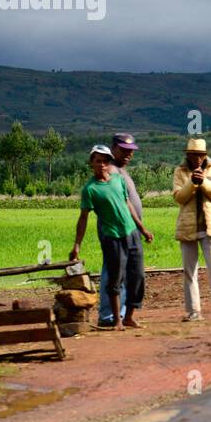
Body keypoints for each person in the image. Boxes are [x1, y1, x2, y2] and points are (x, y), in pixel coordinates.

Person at [69, 145, 153, 330]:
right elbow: (83, 218)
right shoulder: (90, 189)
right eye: (98, 161)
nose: (102, 165)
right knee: (116, 278)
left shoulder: (118, 180)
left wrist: (143, 228)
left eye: (105, 161)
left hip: (131, 233)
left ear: (109, 163)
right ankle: (117, 320)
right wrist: (77, 245)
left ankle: (129, 316)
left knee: (137, 275)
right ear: (91, 163)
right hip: (112, 237)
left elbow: (127, 204)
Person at [173, 138, 211, 321]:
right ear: (188, 155)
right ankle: (194, 311)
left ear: (205, 155)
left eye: (201, 155)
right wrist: (192, 182)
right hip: (187, 227)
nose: (198, 159)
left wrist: (204, 182)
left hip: (210, 227)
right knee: (189, 270)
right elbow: (179, 198)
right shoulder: (180, 171)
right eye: (194, 155)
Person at [98, 132, 144, 327]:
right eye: (124, 150)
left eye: (130, 151)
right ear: (113, 149)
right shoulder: (111, 170)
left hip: (130, 229)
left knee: (130, 272)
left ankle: (125, 315)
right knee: (114, 271)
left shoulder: (121, 170)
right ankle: (108, 316)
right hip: (116, 230)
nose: (128, 154)